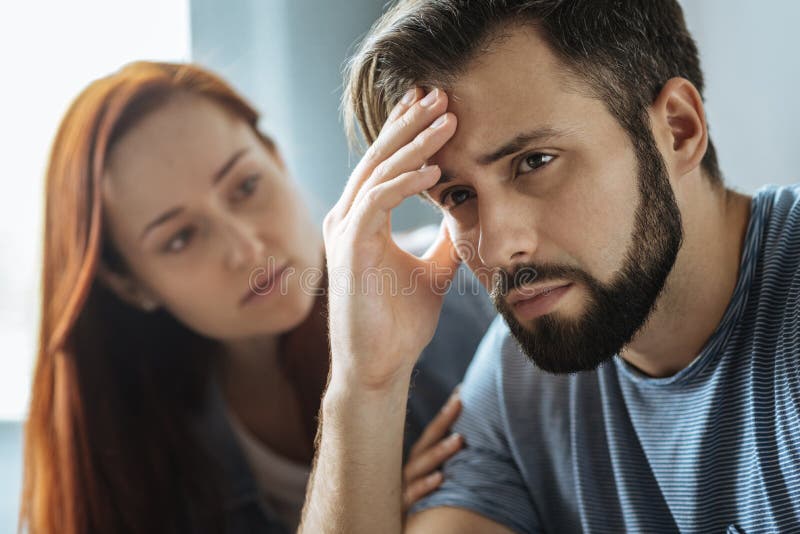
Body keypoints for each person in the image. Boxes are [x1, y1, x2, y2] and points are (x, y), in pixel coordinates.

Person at [300, 0, 800, 532]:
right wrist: (365, 384)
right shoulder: (518, 383)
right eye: (459, 194)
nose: (495, 249)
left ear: (678, 130)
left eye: (534, 162)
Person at [20, 61, 495, 534]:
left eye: (246, 186)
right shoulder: (139, 466)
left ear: (277, 158)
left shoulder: (476, 291)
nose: (245, 248)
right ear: (132, 286)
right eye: (181, 237)